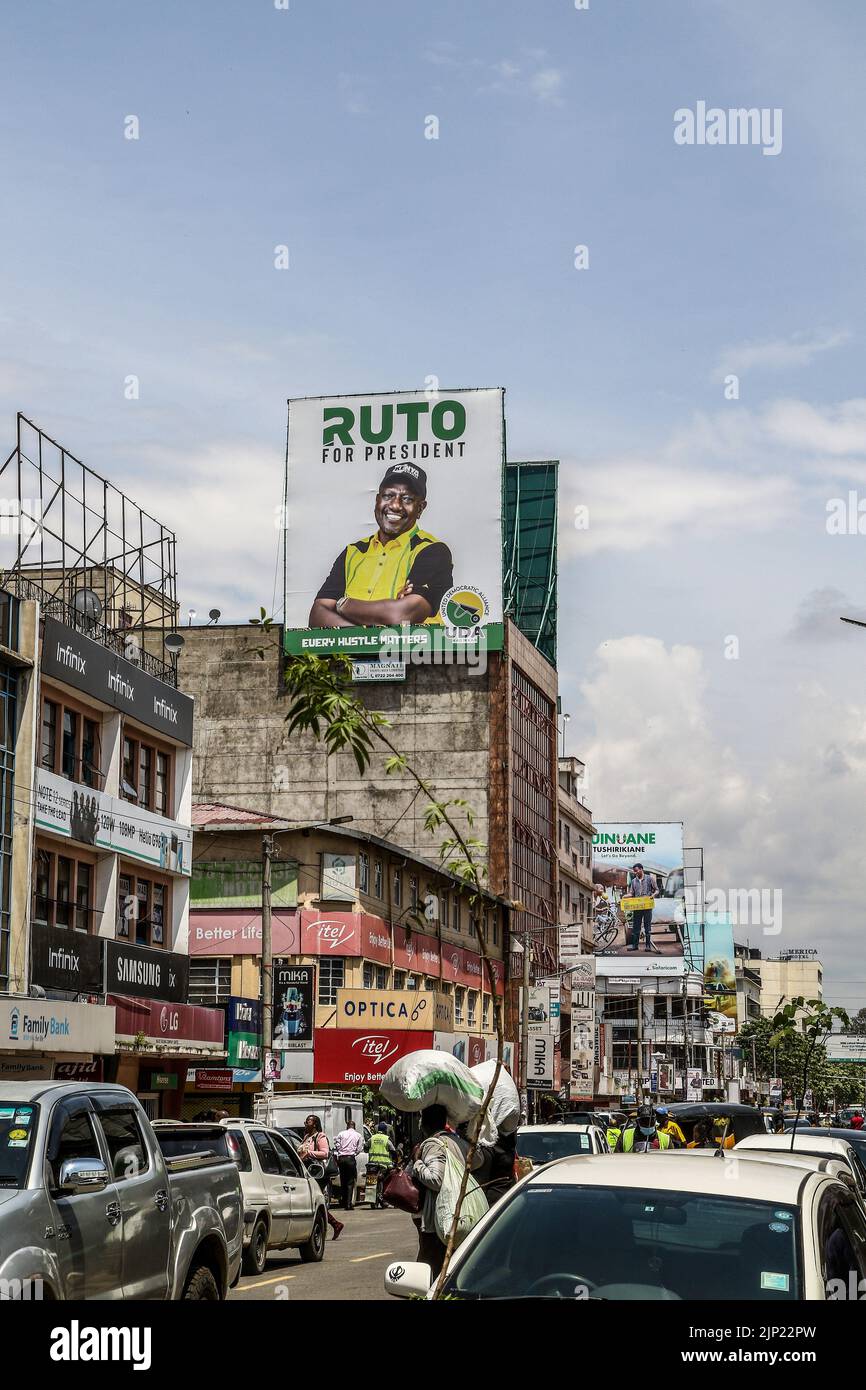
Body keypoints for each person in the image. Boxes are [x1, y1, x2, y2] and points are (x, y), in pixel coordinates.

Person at [308, 465, 454, 629]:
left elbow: (401, 615)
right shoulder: (353, 552)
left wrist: (342, 605)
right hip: (351, 654)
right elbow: (317, 616)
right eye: (388, 495)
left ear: (420, 508)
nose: (395, 505)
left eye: (407, 499)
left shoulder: (432, 551)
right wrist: (362, 638)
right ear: (377, 500)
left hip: (407, 653)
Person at [412, 1104, 481, 1277]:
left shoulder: (433, 1144)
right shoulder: (457, 1140)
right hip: (461, 1212)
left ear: (424, 1124)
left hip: (439, 1220)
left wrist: (417, 1163)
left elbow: (435, 1179)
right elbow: (479, 1160)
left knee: (429, 1272)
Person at [299, 1115, 344, 1240]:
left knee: (315, 1201)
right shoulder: (307, 1137)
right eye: (305, 1121)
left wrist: (309, 1153)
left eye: (308, 1122)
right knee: (313, 1201)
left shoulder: (320, 1136)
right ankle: (335, 1224)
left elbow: (325, 1153)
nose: (305, 1124)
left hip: (319, 1174)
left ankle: (331, 1225)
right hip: (309, 1172)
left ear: (314, 1124)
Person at [333, 1119, 364, 1212]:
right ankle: (348, 1204)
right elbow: (359, 1148)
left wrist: (341, 1151)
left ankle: (343, 1201)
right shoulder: (358, 1135)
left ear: (347, 1126)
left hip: (341, 1159)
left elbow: (337, 1144)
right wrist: (354, 1153)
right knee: (350, 1182)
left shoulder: (341, 1134)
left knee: (343, 1180)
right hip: (351, 1159)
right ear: (354, 1127)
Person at [627, 863, 658, 952]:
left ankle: (648, 946)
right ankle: (635, 946)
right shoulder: (633, 881)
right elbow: (631, 893)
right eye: (634, 871)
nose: (635, 872)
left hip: (647, 906)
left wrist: (653, 895)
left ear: (641, 869)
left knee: (647, 926)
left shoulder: (649, 878)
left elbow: (657, 890)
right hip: (637, 906)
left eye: (637, 870)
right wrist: (625, 897)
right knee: (636, 927)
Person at [367, 1122, 397, 1208]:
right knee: (385, 1180)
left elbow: (365, 1147)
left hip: (372, 1164)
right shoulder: (387, 1139)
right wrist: (394, 1160)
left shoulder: (372, 1138)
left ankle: (371, 1198)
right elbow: (393, 1151)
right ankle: (382, 1197)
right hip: (383, 1165)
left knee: (371, 1180)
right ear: (385, 1130)